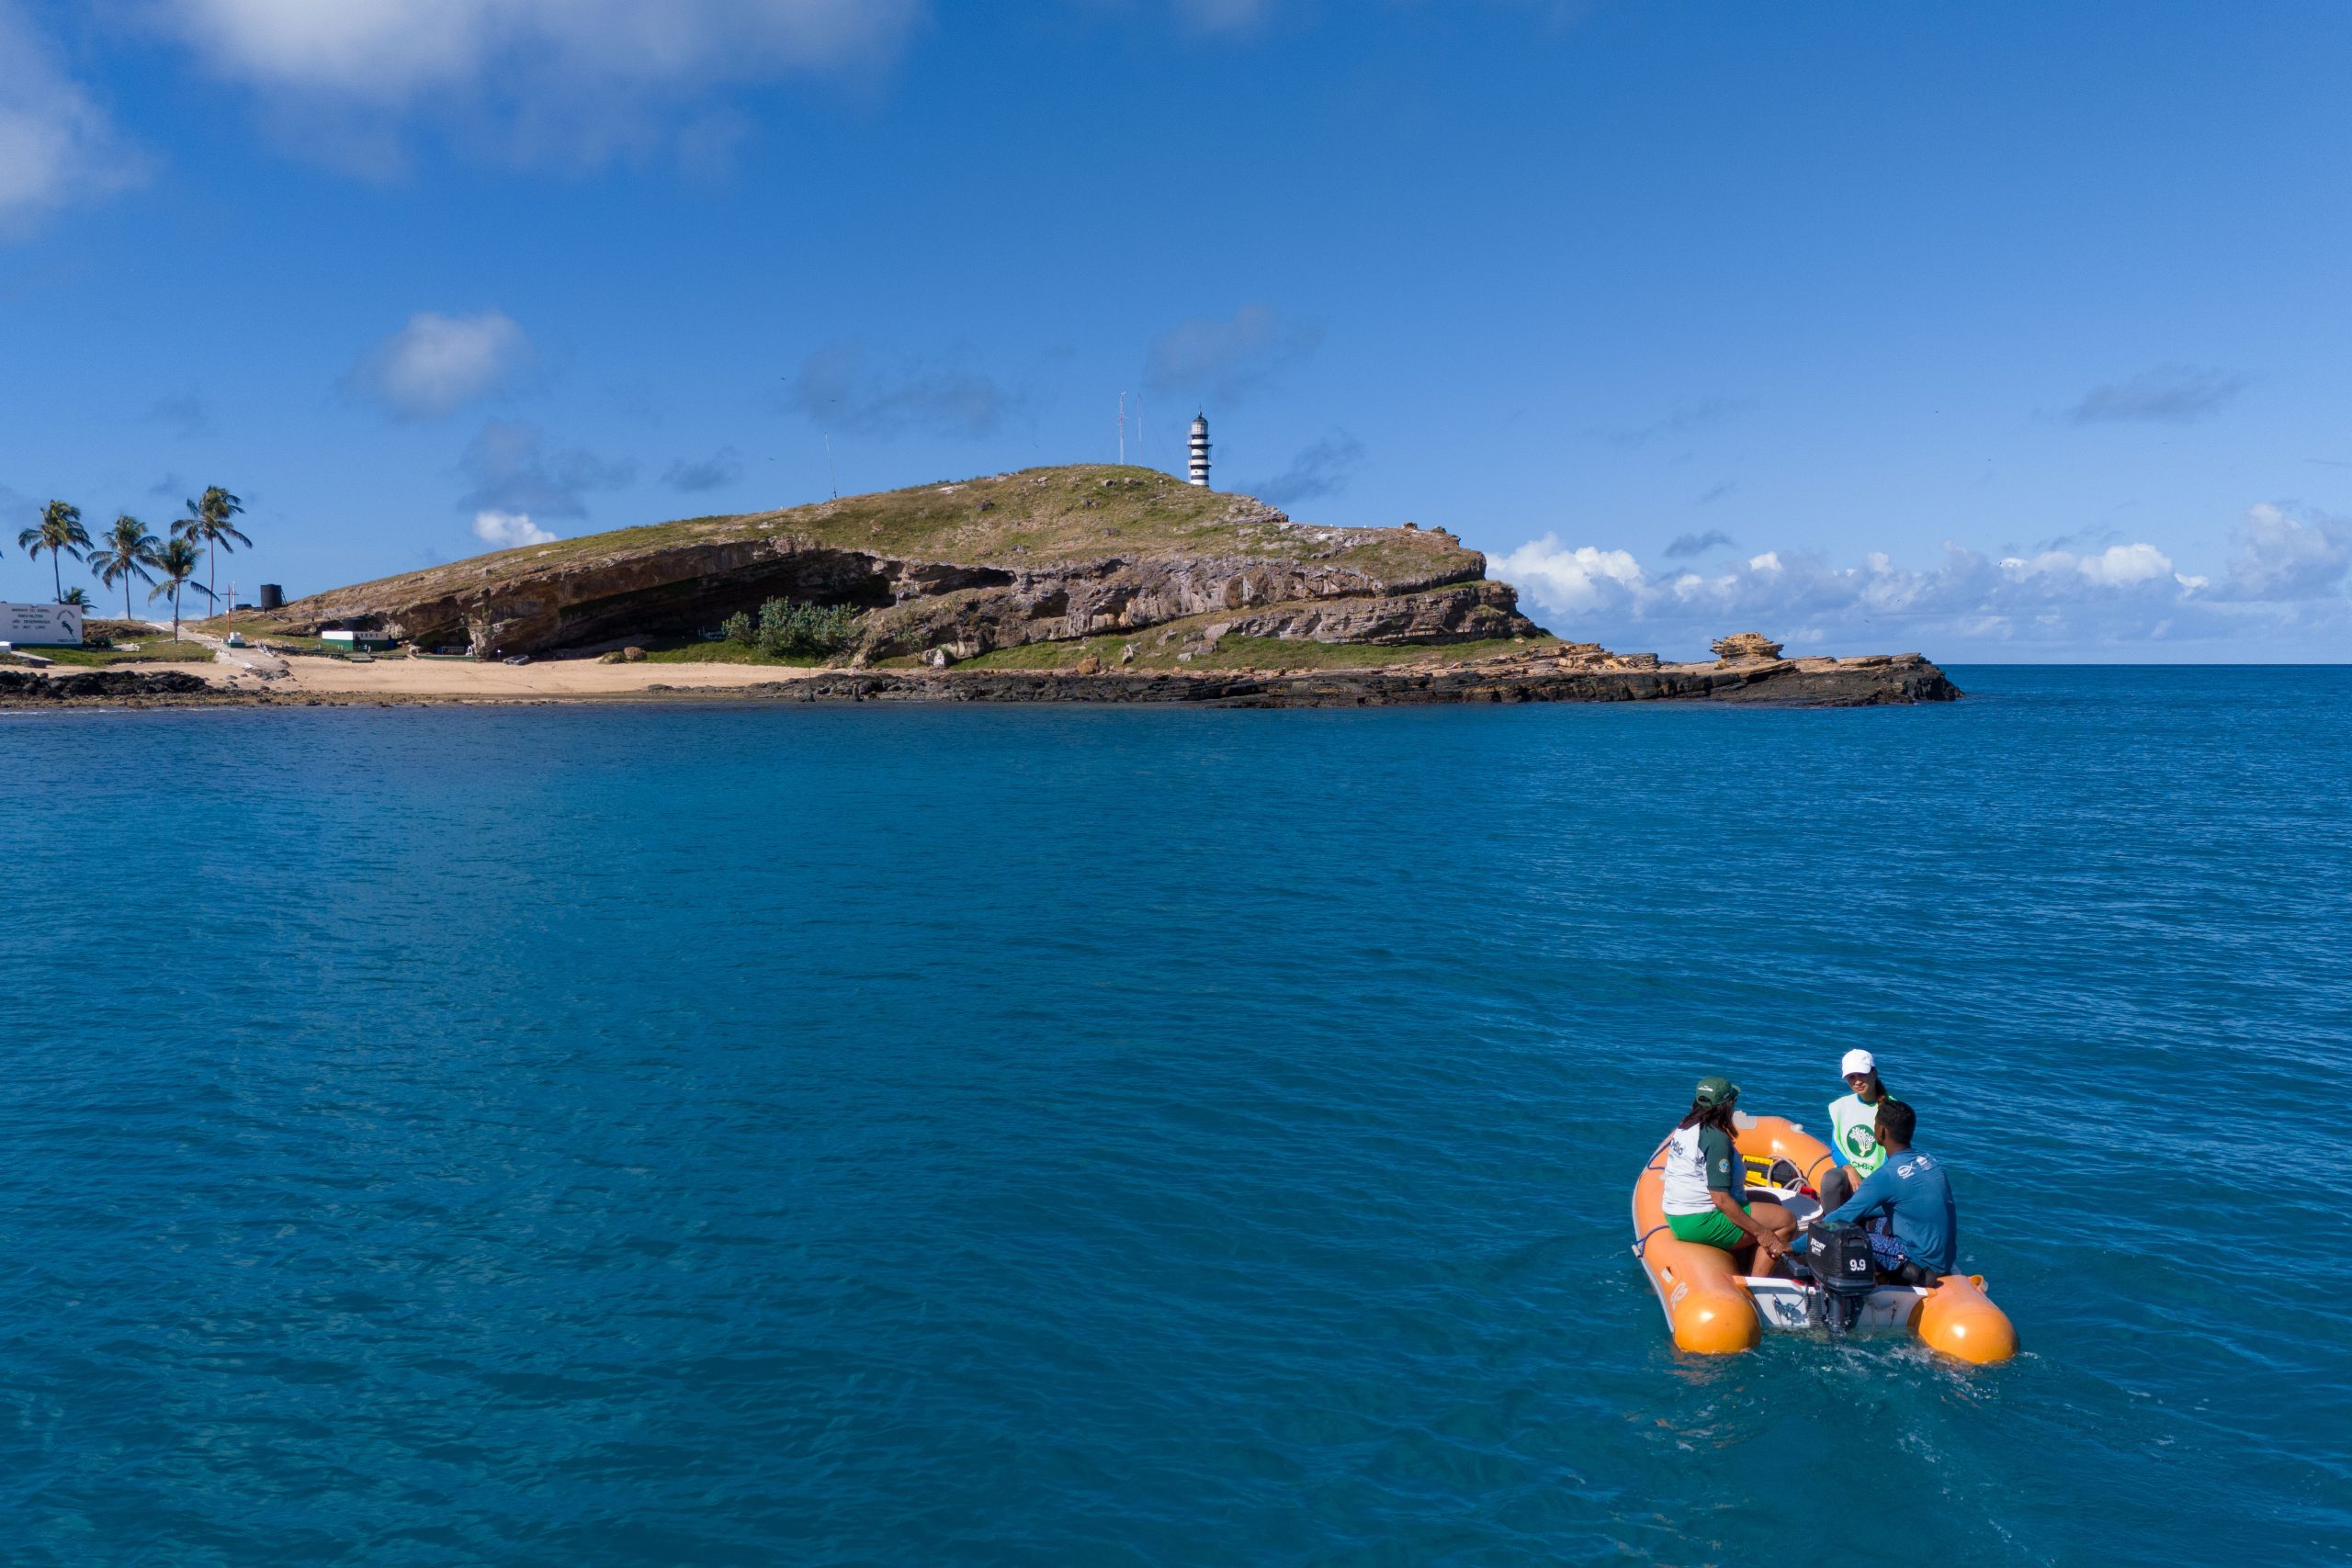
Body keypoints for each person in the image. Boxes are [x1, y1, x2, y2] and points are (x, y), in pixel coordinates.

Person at [1658, 1076, 1797, 1276]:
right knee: (1786, 1221)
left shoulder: (1687, 1125)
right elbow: (1720, 1199)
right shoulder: (1715, 1140)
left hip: (1678, 1213)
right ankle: (1757, 1285)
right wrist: (1762, 1234)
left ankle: (1746, 1259)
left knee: (1772, 1200)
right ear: (1726, 1105)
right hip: (1699, 1219)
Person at [1812, 1098, 1957, 1280]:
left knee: (1844, 1236)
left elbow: (1837, 1219)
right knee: (1869, 1221)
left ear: (1881, 1130)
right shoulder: (1928, 1160)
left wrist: (1796, 1245)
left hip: (1922, 1259)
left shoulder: (1886, 1175)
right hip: (1944, 1256)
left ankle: (1909, 1270)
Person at [1816, 1049, 1891, 1211]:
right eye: (1852, 1077)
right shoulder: (1841, 1107)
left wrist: (1871, 1183)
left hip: (1880, 1179)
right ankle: (1831, 1228)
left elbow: (1894, 1155)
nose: (1857, 1081)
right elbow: (1836, 1148)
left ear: (1874, 1073)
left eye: (1862, 1074)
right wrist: (1849, 1169)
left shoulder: (1892, 1109)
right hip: (1851, 1176)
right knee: (1830, 1179)